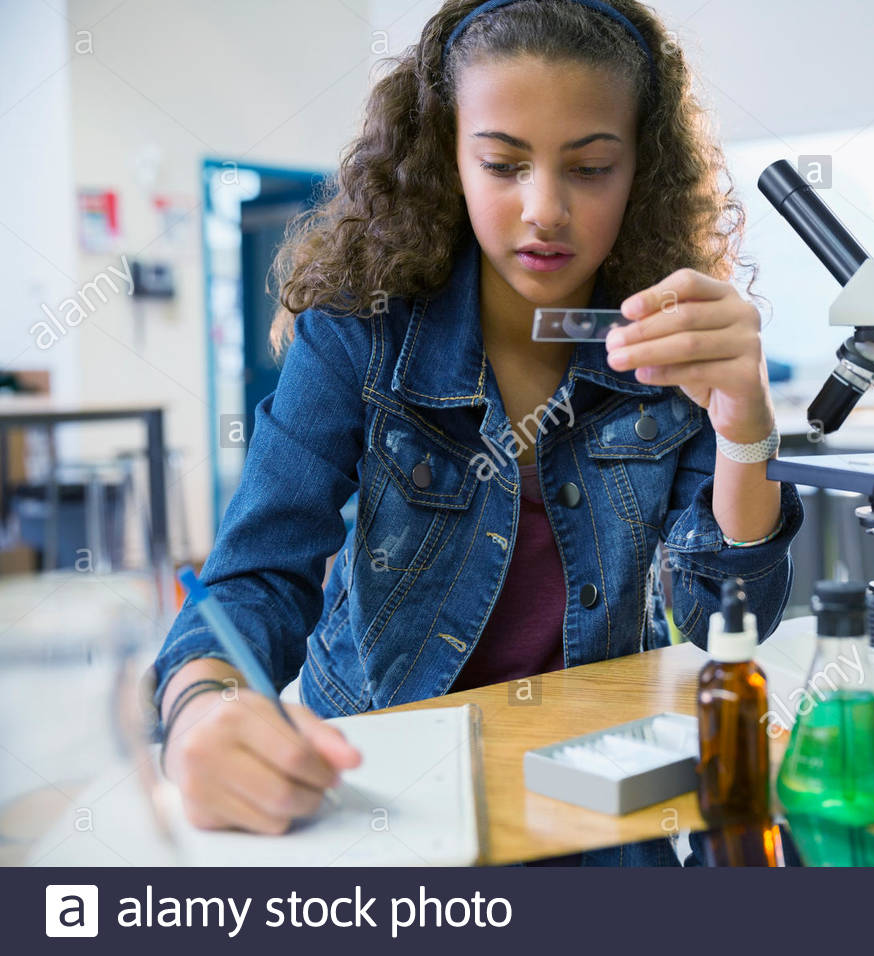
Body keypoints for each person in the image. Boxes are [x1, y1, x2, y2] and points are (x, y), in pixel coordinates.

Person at [151, 0, 803, 866]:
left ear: (639, 168)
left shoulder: (672, 337)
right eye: (502, 163)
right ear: (448, 156)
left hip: (599, 775)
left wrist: (745, 428)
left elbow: (731, 619)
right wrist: (202, 708)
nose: (545, 210)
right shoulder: (361, 330)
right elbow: (254, 577)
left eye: (591, 167)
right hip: (387, 773)